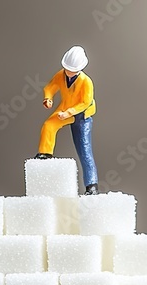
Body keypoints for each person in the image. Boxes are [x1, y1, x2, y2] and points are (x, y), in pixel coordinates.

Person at [35, 46, 99, 195]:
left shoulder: (86, 82)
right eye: (67, 68)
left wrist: (69, 113)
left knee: (84, 150)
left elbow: (85, 102)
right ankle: (45, 153)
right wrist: (48, 98)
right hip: (64, 110)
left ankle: (92, 186)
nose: (68, 72)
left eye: (72, 70)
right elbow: (50, 87)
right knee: (49, 125)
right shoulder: (61, 74)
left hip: (82, 116)